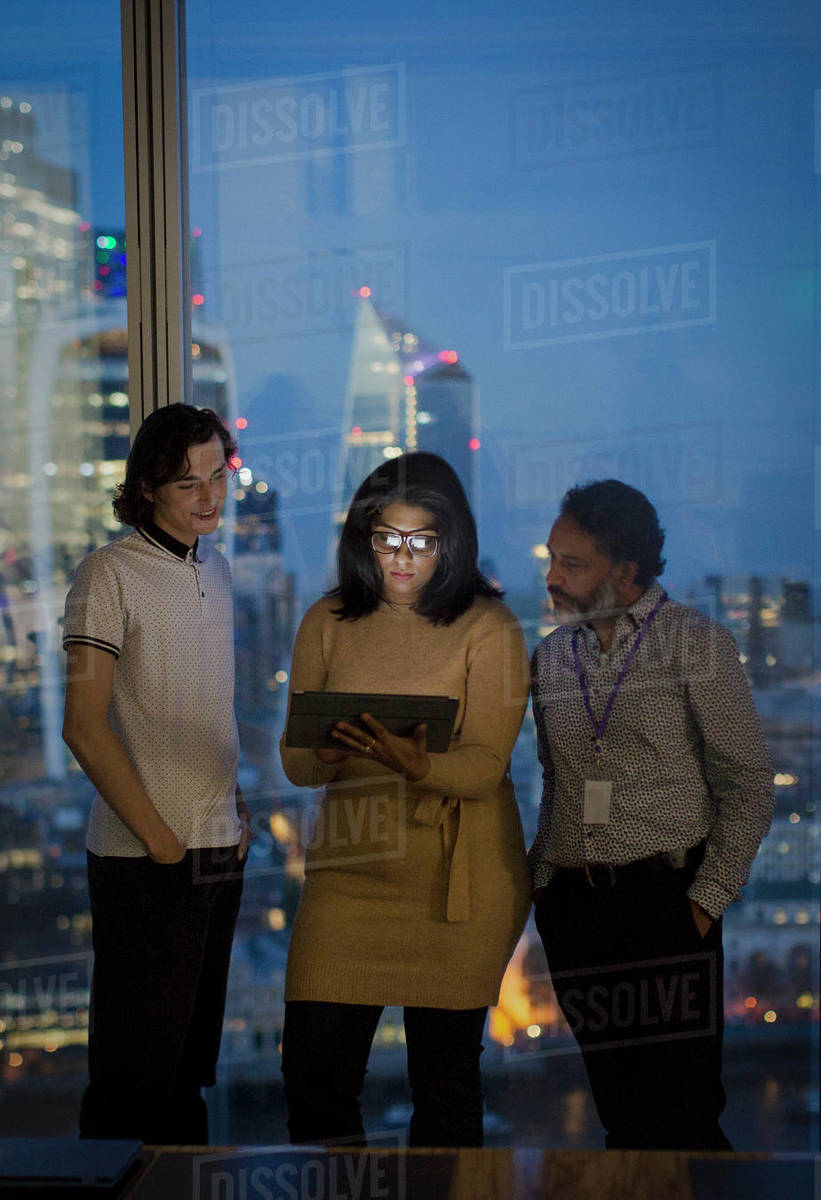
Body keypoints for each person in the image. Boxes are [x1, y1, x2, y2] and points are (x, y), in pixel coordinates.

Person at [279, 452, 530, 1147]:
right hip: (350, 878)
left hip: (457, 886)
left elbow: (483, 766)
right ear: (361, 538)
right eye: (385, 537)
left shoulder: (490, 626)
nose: (401, 557)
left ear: (452, 543)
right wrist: (329, 752)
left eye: (422, 541)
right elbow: (297, 761)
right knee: (313, 1078)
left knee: (445, 1092)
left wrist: (416, 764)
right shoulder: (326, 620)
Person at [529, 479, 774, 1150]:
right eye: (551, 558)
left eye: (571, 563)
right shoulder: (550, 656)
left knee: (684, 1116)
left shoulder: (697, 644)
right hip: (576, 912)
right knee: (618, 1116)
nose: (552, 577)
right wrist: (543, 886)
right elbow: (556, 782)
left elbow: (749, 785)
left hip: (664, 903)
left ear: (626, 571)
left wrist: (702, 905)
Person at [62, 404, 250, 1144]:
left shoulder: (221, 568)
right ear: (146, 487)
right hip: (145, 859)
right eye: (185, 483)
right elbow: (83, 723)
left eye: (217, 477)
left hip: (216, 852)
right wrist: (164, 842)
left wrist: (231, 813)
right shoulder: (107, 573)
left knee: (187, 1075)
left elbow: (211, 703)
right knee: (128, 1084)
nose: (207, 496)